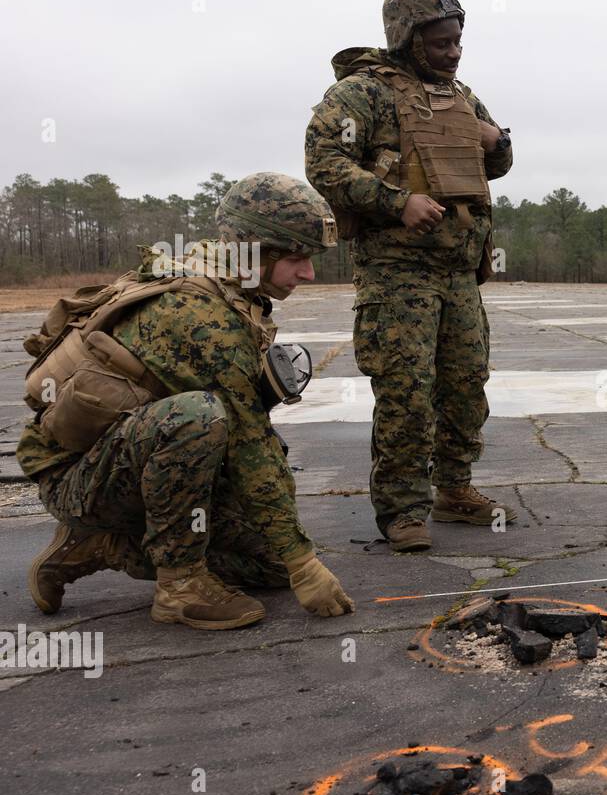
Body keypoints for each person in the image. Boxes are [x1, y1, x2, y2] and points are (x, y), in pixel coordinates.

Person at [18, 172, 355, 630]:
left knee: (271, 567)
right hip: (77, 479)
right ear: (257, 251)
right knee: (197, 417)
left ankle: (104, 545)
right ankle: (180, 585)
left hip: (123, 463)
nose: (308, 273)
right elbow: (249, 446)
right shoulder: (201, 315)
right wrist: (305, 562)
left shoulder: (224, 282)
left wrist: (290, 559)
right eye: (297, 258)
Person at [305, 0, 516, 553]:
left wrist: (496, 139)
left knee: (465, 387)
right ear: (407, 37)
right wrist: (398, 202)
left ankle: (455, 489)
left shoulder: (462, 95)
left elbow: (498, 162)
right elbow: (323, 164)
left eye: (458, 42)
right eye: (442, 42)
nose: (454, 53)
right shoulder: (361, 94)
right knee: (406, 393)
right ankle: (402, 510)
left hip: (459, 272)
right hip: (398, 276)